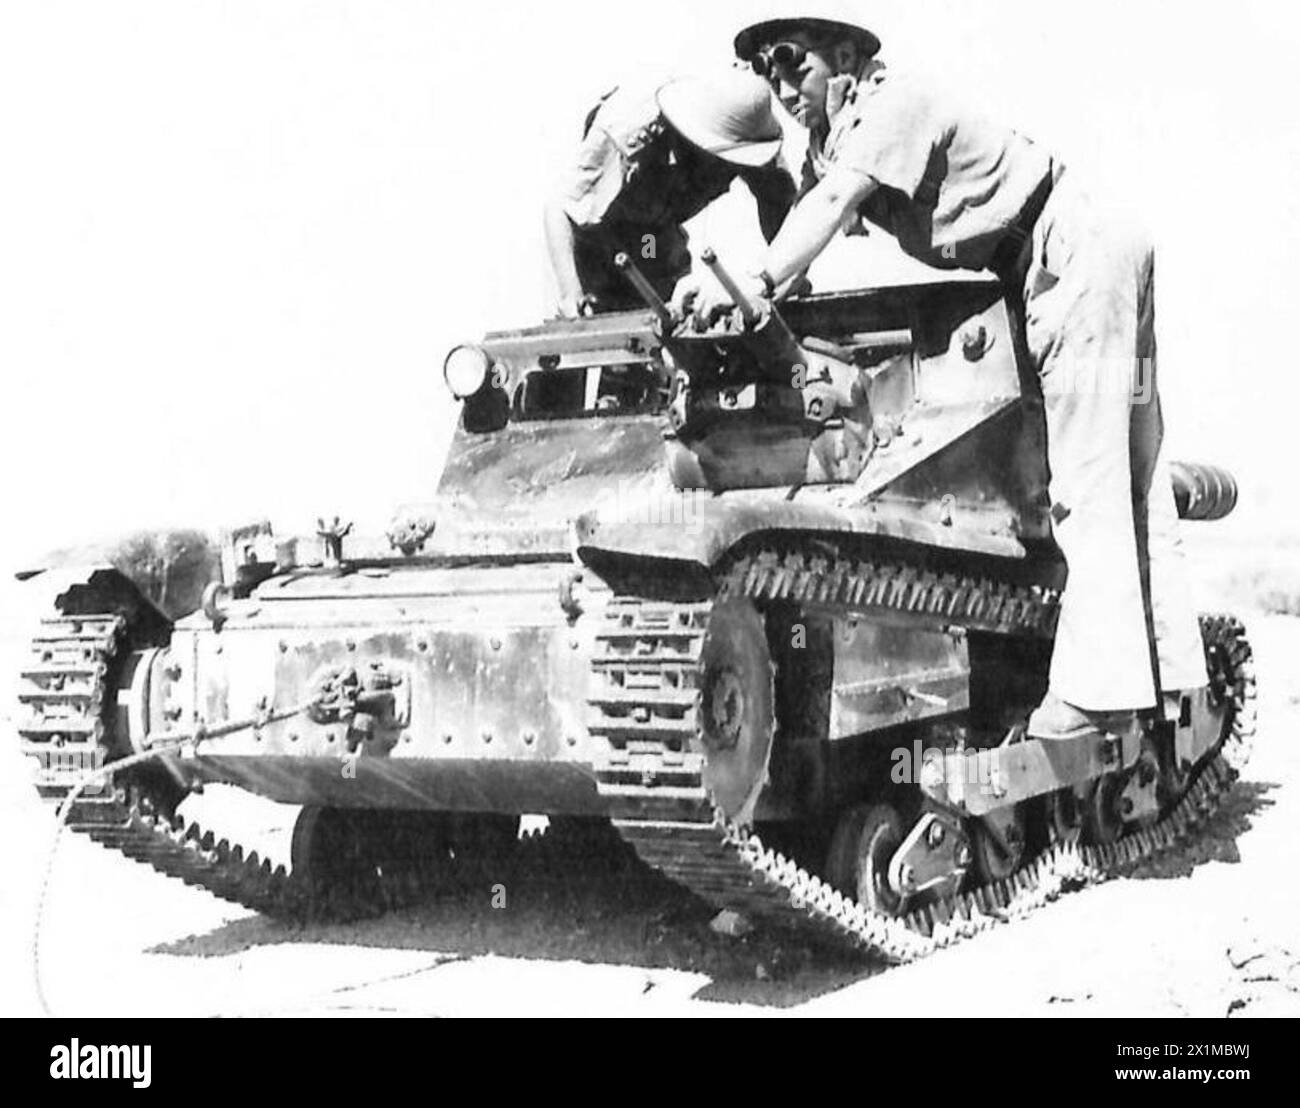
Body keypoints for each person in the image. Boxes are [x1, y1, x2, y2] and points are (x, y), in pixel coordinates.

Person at [678, 14, 1207, 740]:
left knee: (1089, 481)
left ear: (846, 57)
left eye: (791, 64)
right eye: (766, 72)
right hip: (1080, 248)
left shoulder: (891, 104)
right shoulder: (835, 137)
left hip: (1069, 252)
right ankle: (1175, 678)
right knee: (1137, 478)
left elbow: (829, 210)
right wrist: (727, 292)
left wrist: (757, 278)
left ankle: (1098, 697)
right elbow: (802, 236)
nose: (780, 84)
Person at [544, 69, 797, 317]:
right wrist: (570, 295)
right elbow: (561, 206)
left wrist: (780, 279)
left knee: (664, 300)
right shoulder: (626, 126)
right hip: (602, 234)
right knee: (613, 315)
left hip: (649, 238)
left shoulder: (748, 128)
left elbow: (781, 209)